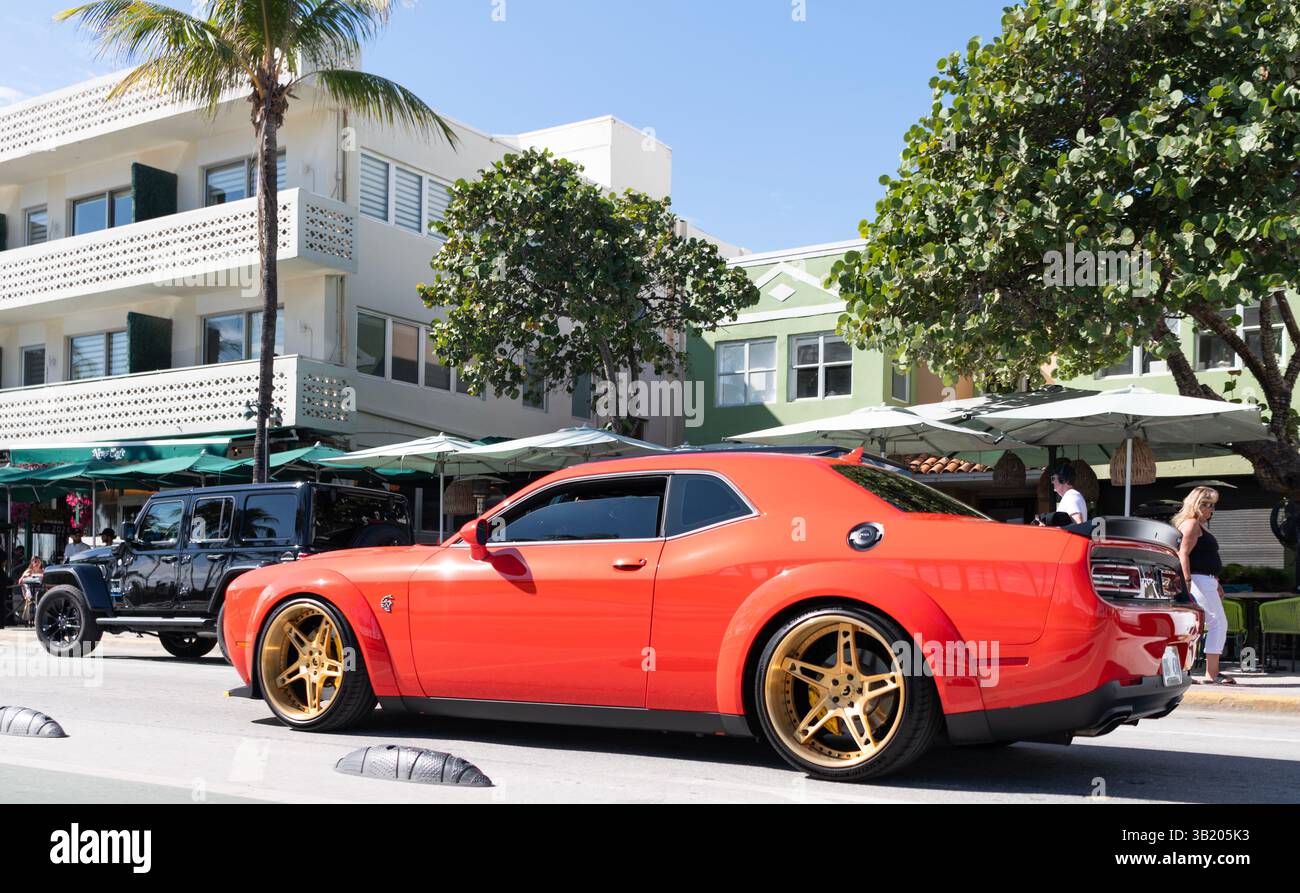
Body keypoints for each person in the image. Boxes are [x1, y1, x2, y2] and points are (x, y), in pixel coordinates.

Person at [1173, 486, 1234, 685]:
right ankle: (1212, 673)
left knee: (1197, 626)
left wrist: (1215, 581)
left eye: (1212, 506)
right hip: (1198, 580)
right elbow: (1183, 554)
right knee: (1217, 623)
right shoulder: (1191, 524)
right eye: (1207, 505)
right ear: (1197, 505)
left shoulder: (1197, 524)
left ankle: (1190, 672)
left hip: (1205, 580)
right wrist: (1187, 582)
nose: (1211, 510)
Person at [18, 556, 44, 626]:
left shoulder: (43, 571)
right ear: (32, 563)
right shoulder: (29, 570)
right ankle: (33, 619)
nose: (37, 563)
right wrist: (25, 576)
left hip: (39, 589)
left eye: (39, 562)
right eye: (35, 562)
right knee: (34, 596)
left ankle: (38, 619)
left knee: (40, 595)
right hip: (29, 590)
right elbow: (20, 581)